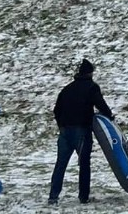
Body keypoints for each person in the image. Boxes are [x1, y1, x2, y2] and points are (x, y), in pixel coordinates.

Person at [48, 59, 114, 204]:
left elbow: (56, 109)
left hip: (65, 131)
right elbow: (101, 104)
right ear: (90, 73)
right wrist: (109, 116)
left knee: (61, 164)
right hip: (82, 130)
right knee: (84, 164)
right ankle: (83, 196)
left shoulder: (67, 88)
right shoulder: (92, 87)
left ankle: (53, 196)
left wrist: (62, 125)